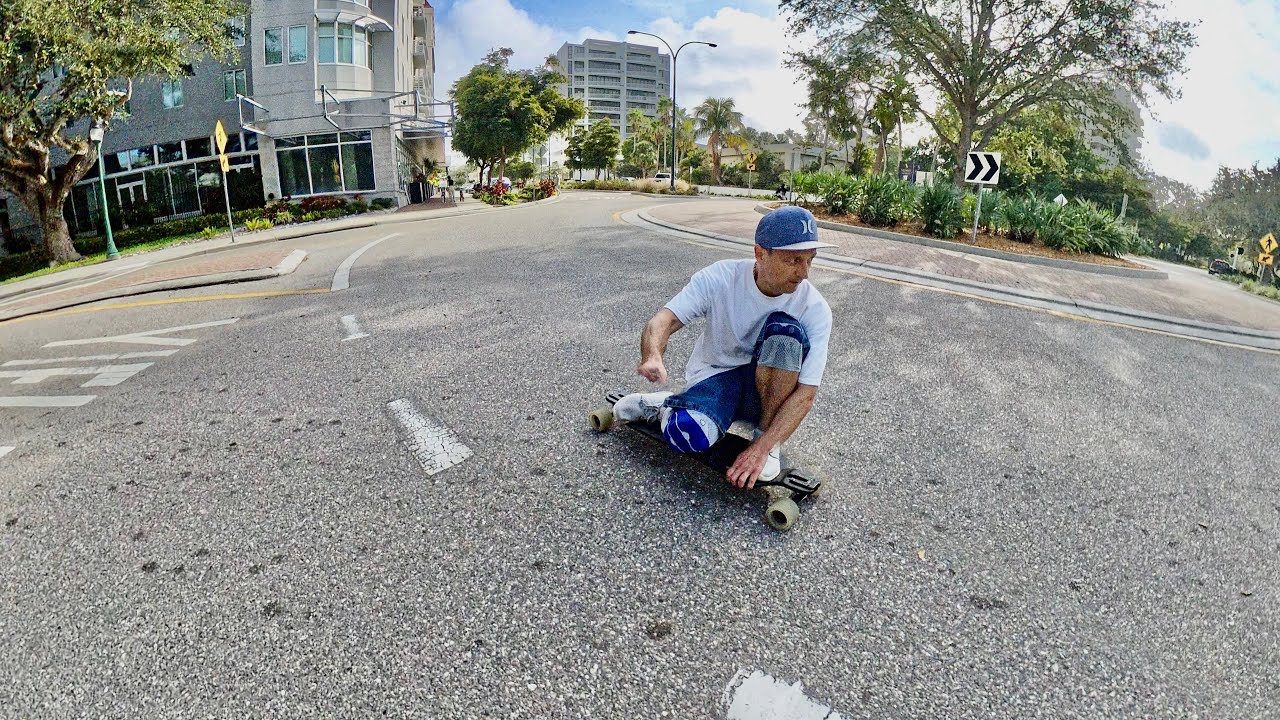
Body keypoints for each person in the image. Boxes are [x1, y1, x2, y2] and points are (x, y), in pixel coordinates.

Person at [613, 206, 835, 489]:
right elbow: (664, 320)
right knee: (687, 435)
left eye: (810, 260)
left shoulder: (814, 308)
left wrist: (763, 447)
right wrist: (652, 355)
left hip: (770, 392)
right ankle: (664, 406)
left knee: (785, 331)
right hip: (717, 379)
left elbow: (806, 393)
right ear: (760, 253)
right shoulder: (720, 278)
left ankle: (764, 436)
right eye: (793, 260)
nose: (804, 273)